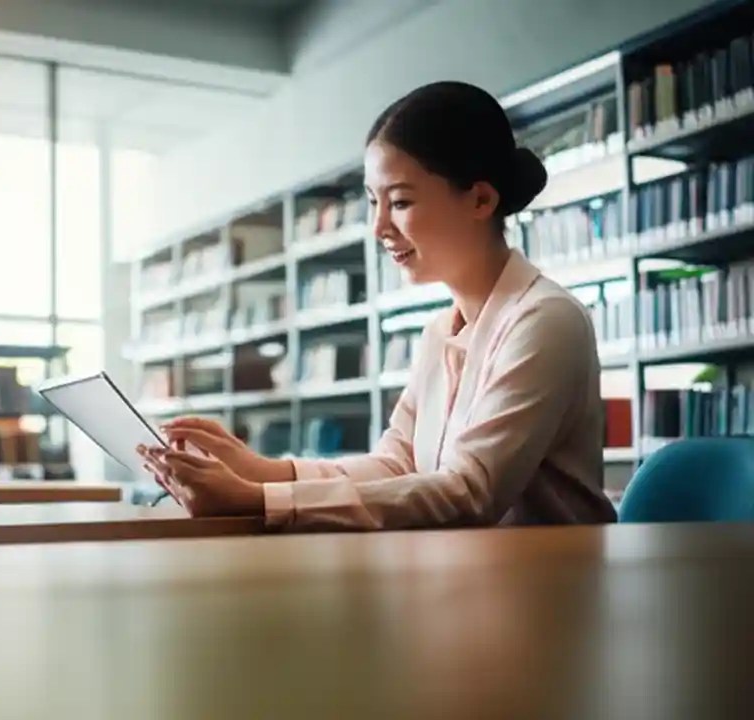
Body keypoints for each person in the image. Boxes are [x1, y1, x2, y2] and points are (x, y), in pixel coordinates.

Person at [138, 81, 618, 530]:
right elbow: (397, 465)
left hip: (549, 588)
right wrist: (266, 471)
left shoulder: (545, 321)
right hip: (468, 580)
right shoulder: (439, 332)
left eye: (401, 202)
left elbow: (470, 492)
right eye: (373, 202)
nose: (378, 227)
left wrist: (259, 501)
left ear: (480, 200)